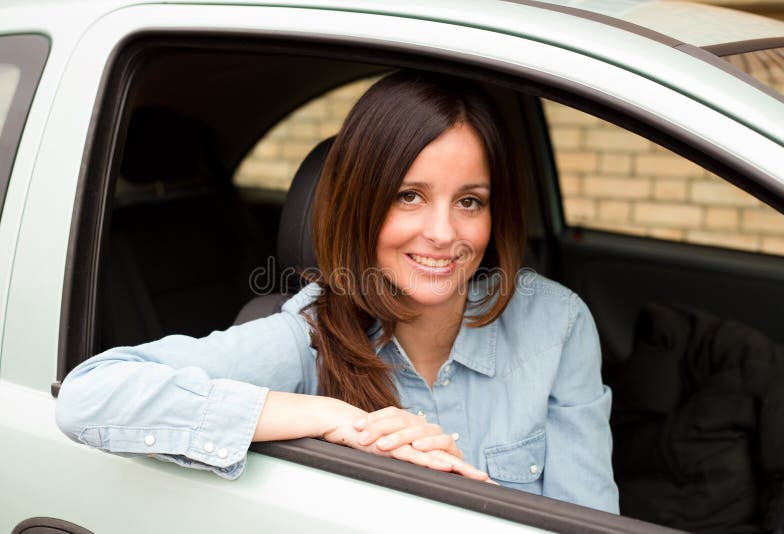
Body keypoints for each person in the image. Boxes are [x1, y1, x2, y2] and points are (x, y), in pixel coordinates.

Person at [56, 70, 619, 514]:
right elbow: (89, 394)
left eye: (469, 201)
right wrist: (330, 419)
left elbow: (588, 514)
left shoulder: (555, 325)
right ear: (362, 205)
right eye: (409, 196)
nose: (444, 234)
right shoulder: (310, 333)